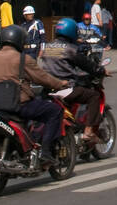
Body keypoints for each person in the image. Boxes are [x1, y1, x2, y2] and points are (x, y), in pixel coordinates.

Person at [0, 25, 70, 169]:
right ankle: (46, 151)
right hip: (17, 105)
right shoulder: (23, 59)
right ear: (19, 41)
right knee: (55, 111)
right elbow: (42, 77)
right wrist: (60, 83)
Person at [40, 18, 107, 146]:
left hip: (48, 88)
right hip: (65, 89)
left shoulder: (48, 47)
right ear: (72, 32)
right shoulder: (70, 49)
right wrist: (101, 70)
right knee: (94, 96)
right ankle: (88, 132)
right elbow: (87, 65)